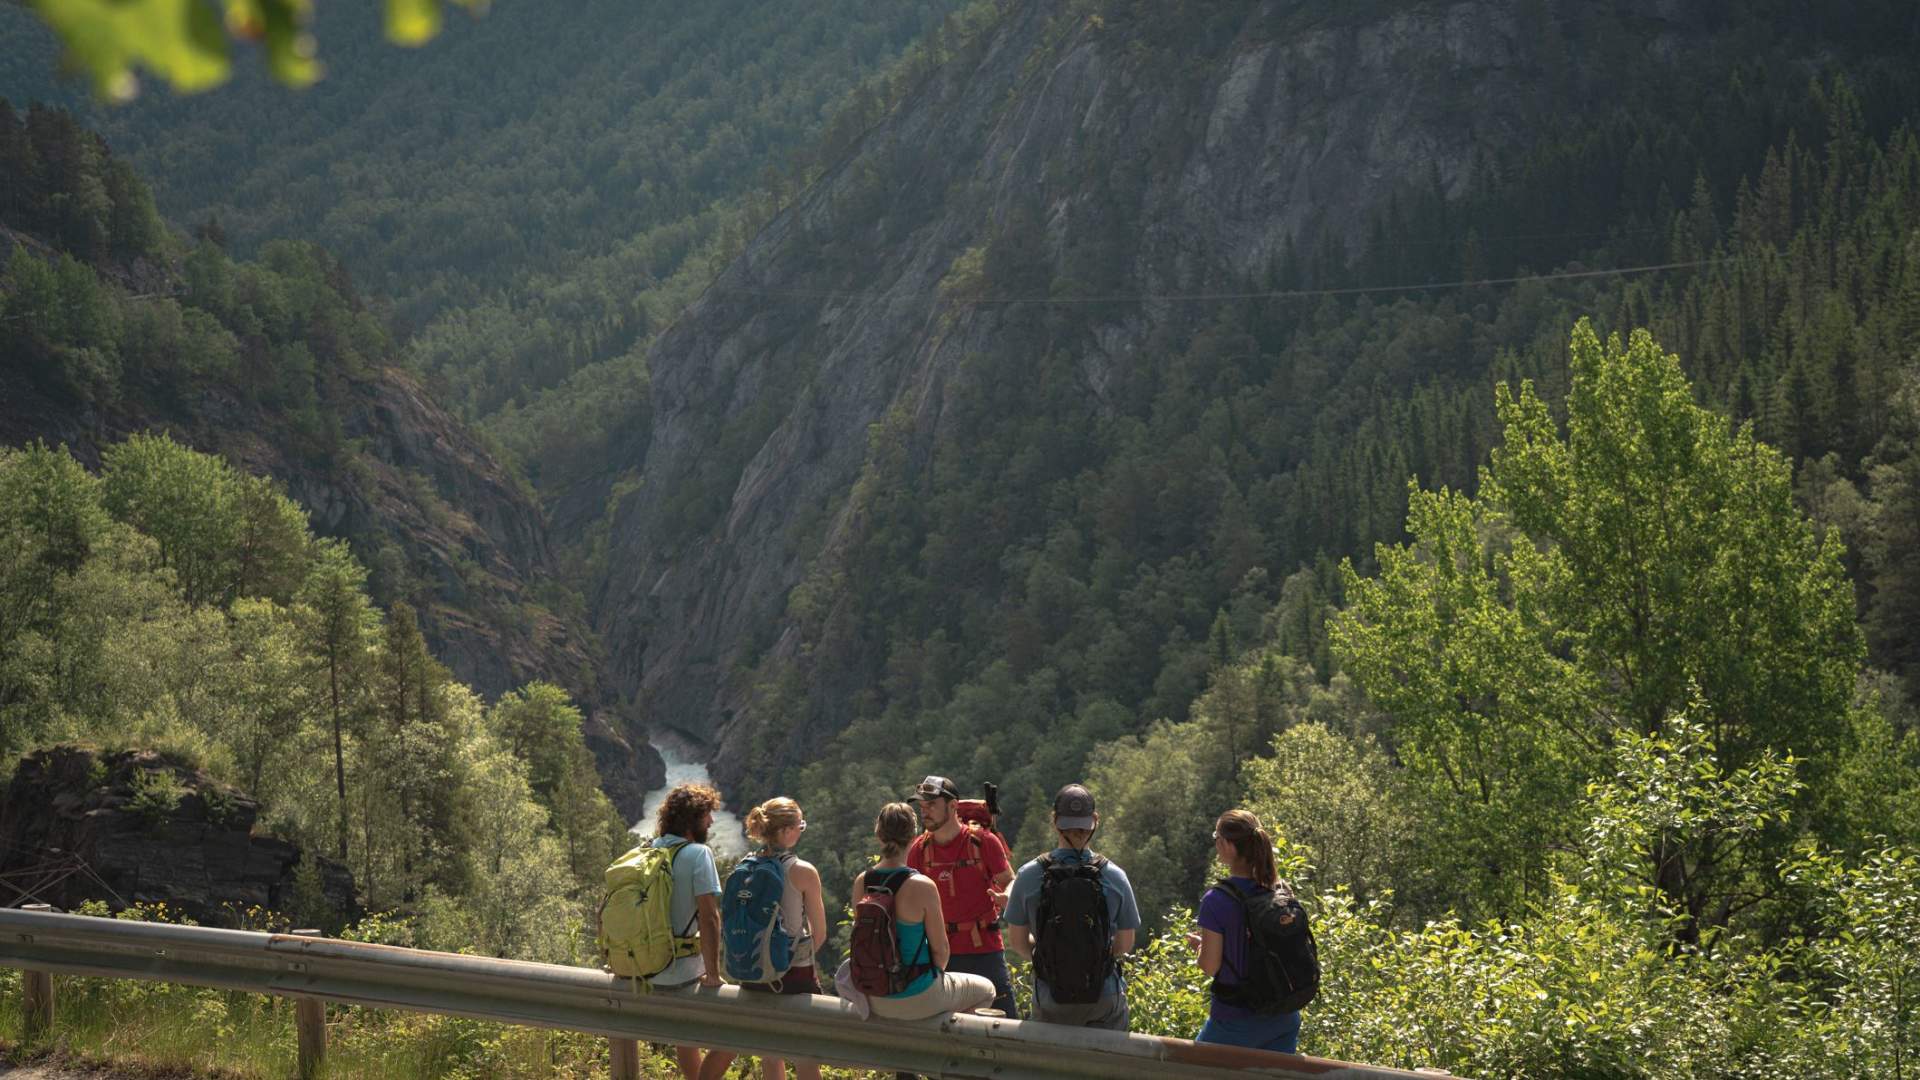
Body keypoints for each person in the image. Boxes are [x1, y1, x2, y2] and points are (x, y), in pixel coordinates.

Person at [699, 797, 827, 1080]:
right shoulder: (803, 871)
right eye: (800, 825)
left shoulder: (746, 867)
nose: (801, 830)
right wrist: (791, 960)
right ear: (785, 831)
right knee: (805, 1056)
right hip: (794, 975)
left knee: (770, 1053)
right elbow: (819, 932)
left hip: (754, 969)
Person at [1004, 784, 1141, 1030]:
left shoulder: (1028, 875)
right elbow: (1124, 944)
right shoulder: (1116, 876)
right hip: (1104, 995)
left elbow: (1017, 943)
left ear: (1055, 821)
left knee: (1052, 1066)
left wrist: (1051, 956)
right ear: (1095, 821)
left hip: (1051, 996)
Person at [855, 802, 997, 1021]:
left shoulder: (862, 882)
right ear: (914, 835)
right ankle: (945, 1049)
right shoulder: (922, 885)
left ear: (878, 834)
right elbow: (941, 952)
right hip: (919, 994)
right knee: (987, 990)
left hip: (874, 994)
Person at [1188, 809, 1302, 1054]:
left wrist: (1200, 949)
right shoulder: (1281, 890)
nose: (1216, 843)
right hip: (1284, 1016)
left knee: (1186, 1069)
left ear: (1228, 846)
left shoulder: (1217, 900)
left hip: (1235, 1020)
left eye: (1217, 837)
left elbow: (1210, 966)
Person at [906, 775, 1017, 1016]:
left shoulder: (984, 842)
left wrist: (1006, 896)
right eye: (922, 807)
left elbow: (1010, 880)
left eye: (931, 805)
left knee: (1005, 1023)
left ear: (953, 805)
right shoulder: (918, 849)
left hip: (985, 951)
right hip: (940, 953)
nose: (925, 812)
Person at [648, 783, 726, 1080]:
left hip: (649, 968)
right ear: (693, 819)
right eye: (707, 815)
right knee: (741, 1031)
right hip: (683, 973)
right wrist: (714, 972)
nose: (712, 821)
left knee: (686, 1036)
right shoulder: (698, 854)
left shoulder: (647, 850)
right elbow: (709, 918)